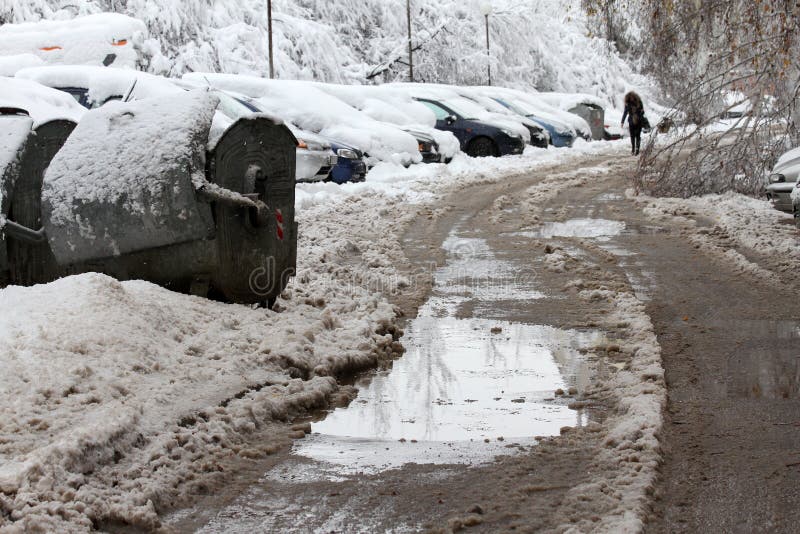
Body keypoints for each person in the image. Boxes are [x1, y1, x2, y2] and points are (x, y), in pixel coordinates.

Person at [621, 91, 645, 155]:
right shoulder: (628, 104)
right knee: (632, 136)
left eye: (632, 97)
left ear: (634, 97)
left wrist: (639, 114)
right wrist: (622, 121)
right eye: (630, 97)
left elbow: (643, 112)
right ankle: (633, 148)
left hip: (638, 121)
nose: (631, 98)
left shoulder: (639, 102)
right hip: (631, 121)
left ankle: (637, 149)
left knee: (638, 136)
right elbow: (625, 112)